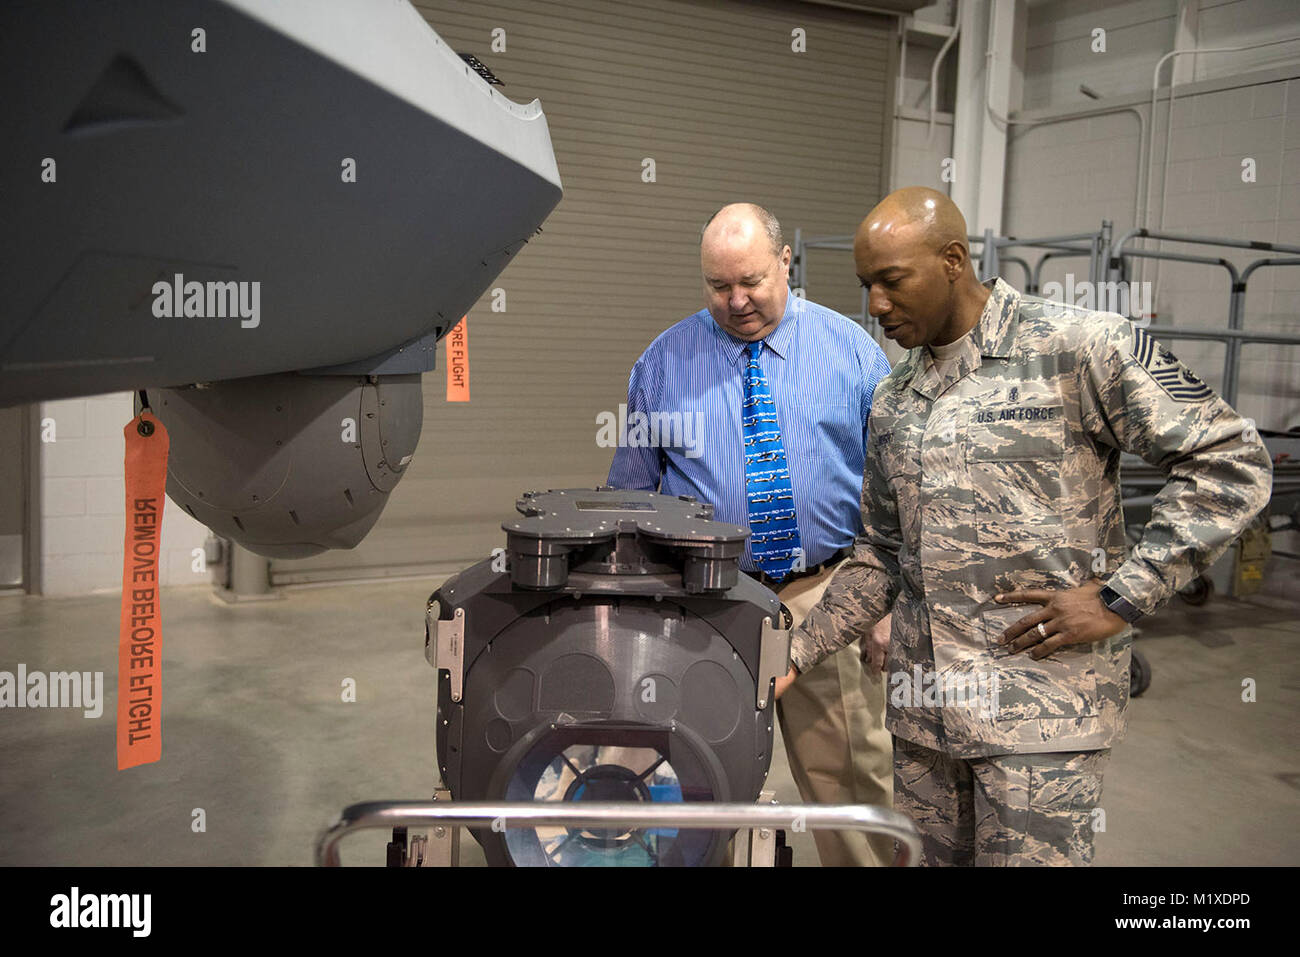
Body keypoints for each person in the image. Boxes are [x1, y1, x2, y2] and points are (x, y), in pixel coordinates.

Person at [775, 186, 1273, 866]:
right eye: (868, 287)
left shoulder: (1080, 348)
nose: (878, 306)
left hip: (1039, 721)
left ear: (953, 259)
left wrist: (1121, 596)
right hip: (926, 723)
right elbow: (881, 555)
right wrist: (793, 654)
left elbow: (1231, 459)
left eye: (892, 282)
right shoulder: (895, 398)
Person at [607, 202, 895, 866]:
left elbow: (893, 490)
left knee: (852, 784)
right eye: (718, 286)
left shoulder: (853, 353)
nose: (736, 301)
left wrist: (887, 602)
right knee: (696, 779)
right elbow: (629, 496)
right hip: (705, 600)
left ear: (785, 261)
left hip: (828, 594)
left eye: (752, 281)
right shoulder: (662, 364)